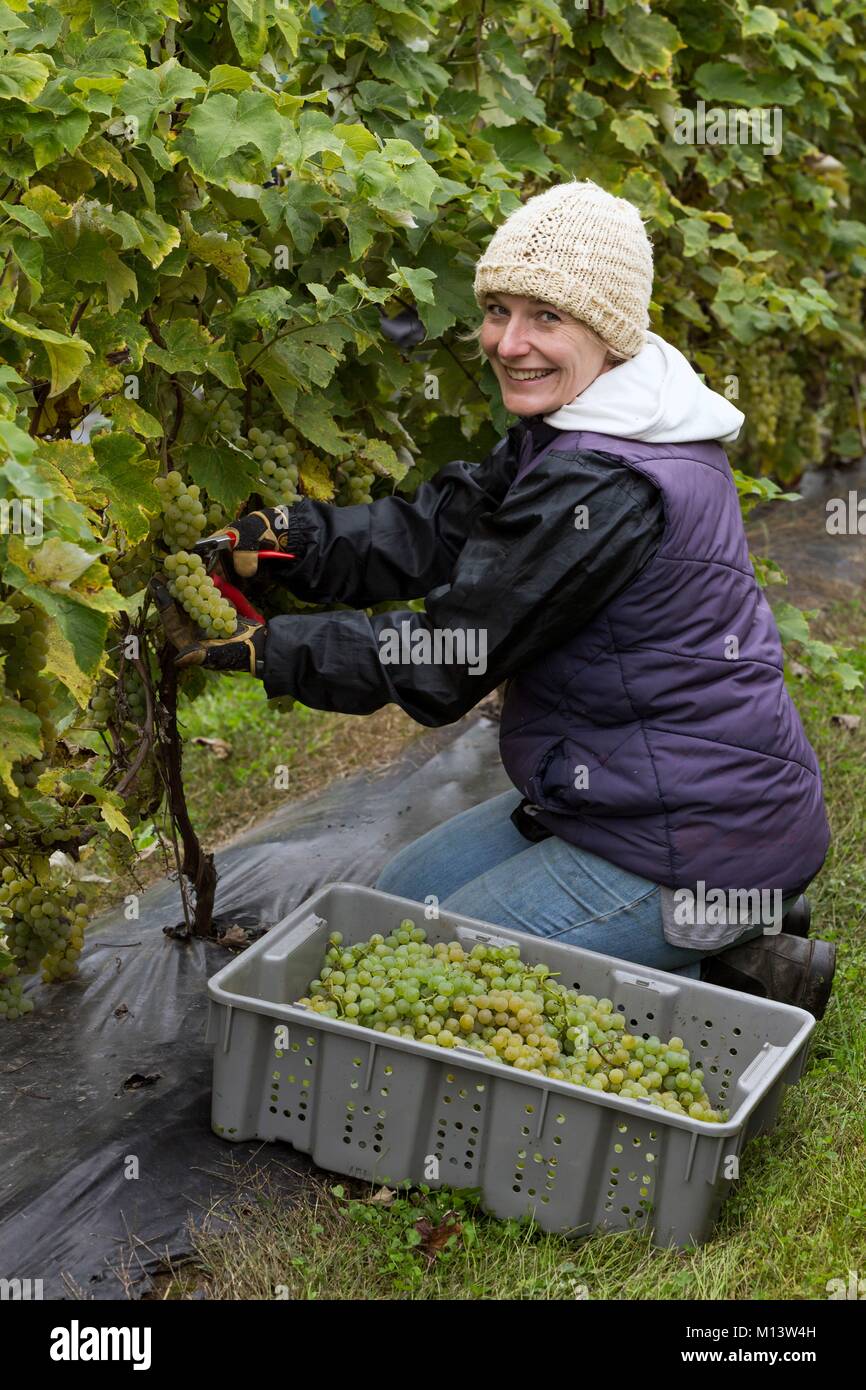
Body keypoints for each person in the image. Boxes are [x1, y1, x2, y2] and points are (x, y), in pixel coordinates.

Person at [168, 180, 835, 1017]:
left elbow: (449, 659)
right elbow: (442, 527)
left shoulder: (606, 481)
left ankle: (725, 957)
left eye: (546, 317)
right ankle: (729, 940)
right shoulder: (594, 420)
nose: (508, 342)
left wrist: (275, 653)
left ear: (610, 327)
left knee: (420, 976)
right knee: (399, 896)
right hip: (621, 794)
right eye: (498, 310)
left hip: (696, 839)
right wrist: (298, 542)